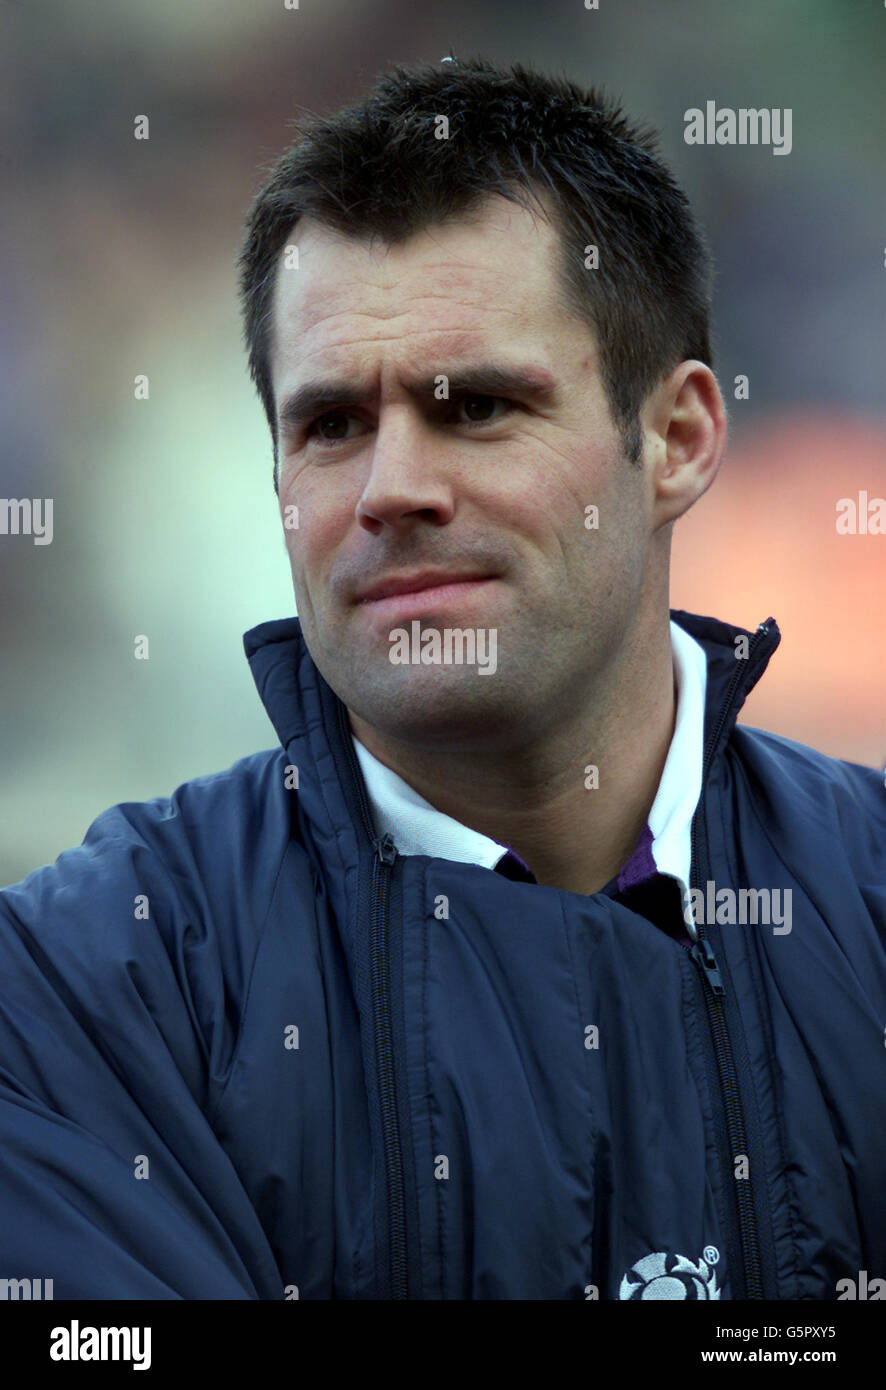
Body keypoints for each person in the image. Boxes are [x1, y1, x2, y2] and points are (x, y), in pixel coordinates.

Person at [1, 55, 884, 1302]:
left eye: (472, 406)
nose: (388, 491)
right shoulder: (82, 988)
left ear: (676, 439)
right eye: (330, 426)